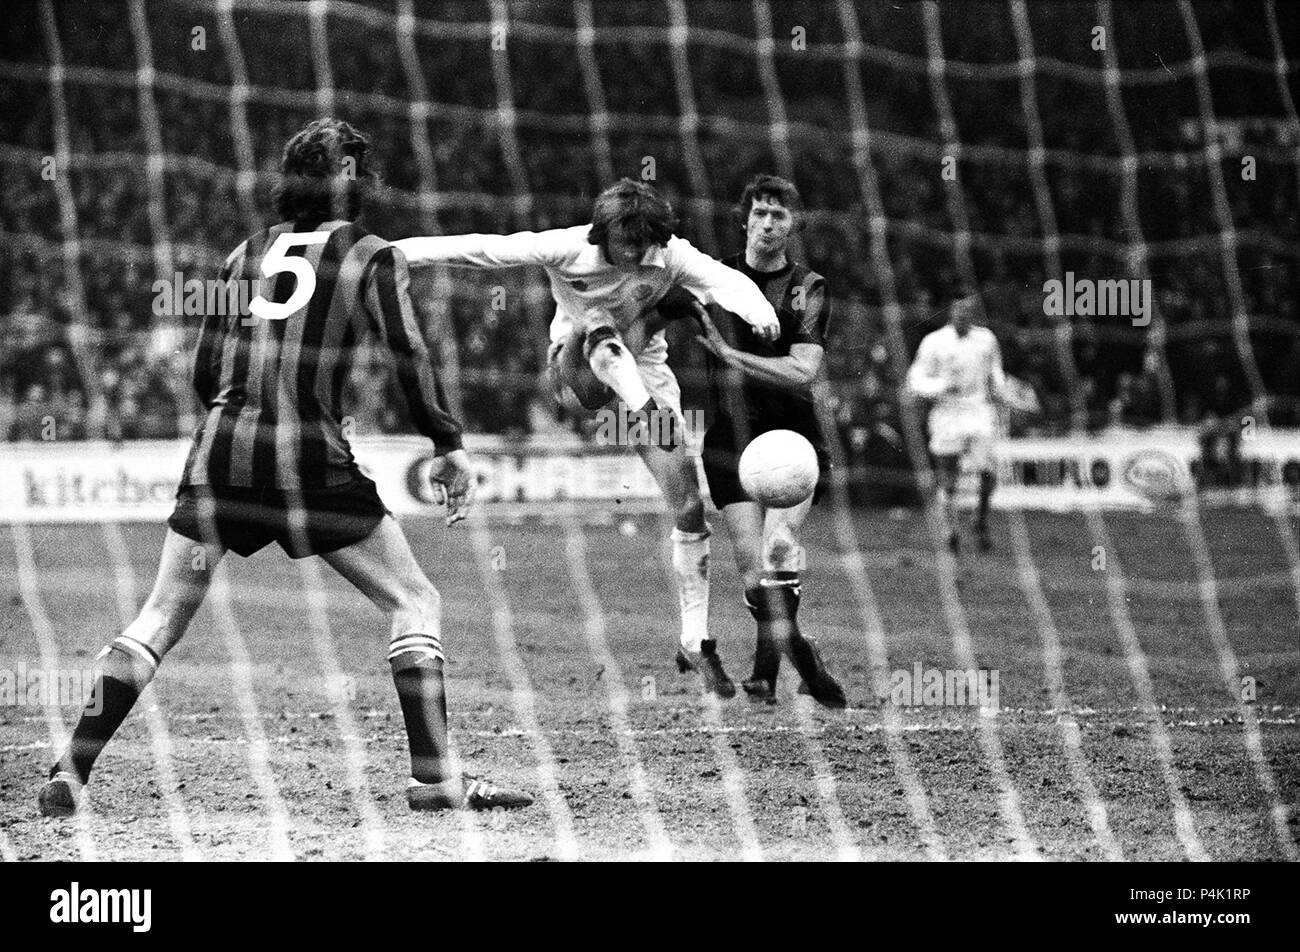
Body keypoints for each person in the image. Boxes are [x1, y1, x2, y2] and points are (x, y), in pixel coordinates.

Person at [39, 118, 532, 818]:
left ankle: (72, 768)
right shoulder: (370, 254)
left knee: (158, 618)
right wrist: (447, 442)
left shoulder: (243, 255)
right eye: (358, 166)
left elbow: (207, 369)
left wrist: (229, 429)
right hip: (310, 463)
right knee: (413, 600)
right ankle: (432, 780)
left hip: (221, 455)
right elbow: (408, 355)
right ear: (349, 178)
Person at [394, 179, 780, 698]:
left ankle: (695, 641)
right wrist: (392, 253)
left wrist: (762, 313)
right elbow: (482, 248)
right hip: (574, 372)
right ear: (604, 233)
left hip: (646, 374)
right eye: (626, 243)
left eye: (644, 245)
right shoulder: (568, 246)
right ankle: (640, 404)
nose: (635, 254)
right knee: (596, 322)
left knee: (689, 507)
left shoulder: (669, 254)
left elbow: (725, 280)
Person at [687, 174, 846, 707]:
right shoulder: (715, 278)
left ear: (793, 225)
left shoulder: (808, 287)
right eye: (761, 213)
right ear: (745, 219)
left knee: (780, 548)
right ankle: (804, 658)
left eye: (780, 215)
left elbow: (804, 372)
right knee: (753, 575)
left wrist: (732, 358)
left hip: (792, 439)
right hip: (730, 438)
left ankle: (762, 675)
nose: (769, 223)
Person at [906, 294, 1007, 553]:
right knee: (948, 475)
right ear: (951, 312)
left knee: (988, 472)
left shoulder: (986, 339)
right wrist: (942, 386)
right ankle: (950, 531)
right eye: (958, 310)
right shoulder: (934, 342)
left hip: (978, 411)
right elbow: (915, 379)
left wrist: (1000, 389)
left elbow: (995, 370)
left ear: (974, 313)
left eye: (968, 311)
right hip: (947, 413)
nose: (963, 315)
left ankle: (981, 520)